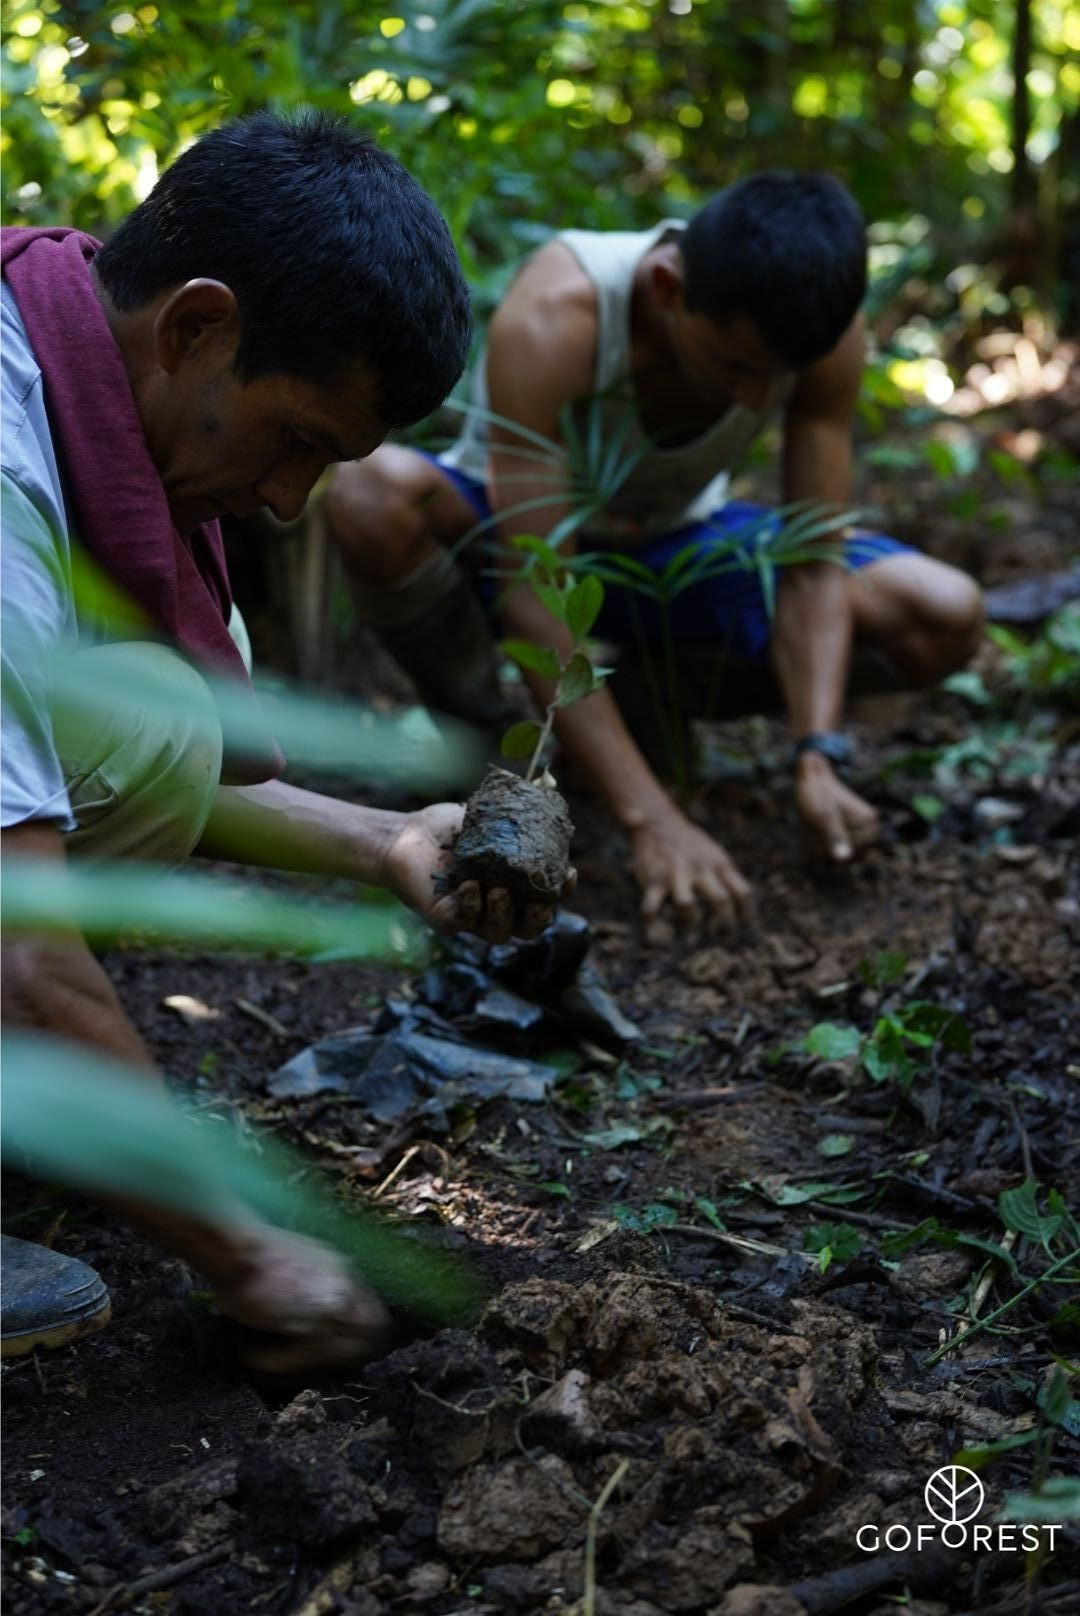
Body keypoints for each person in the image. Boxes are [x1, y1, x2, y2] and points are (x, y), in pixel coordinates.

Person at [0, 110, 569, 1372]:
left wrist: (382, 842)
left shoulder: (54, 360)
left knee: (149, 712)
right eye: (297, 439)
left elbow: (71, 766)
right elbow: (19, 958)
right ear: (198, 328)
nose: (285, 498)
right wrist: (252, 1256)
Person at [327, 170, 985, 932]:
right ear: (668, 287)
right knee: (370, 493)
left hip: (676, 548)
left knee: (943, 612)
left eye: (771, 380)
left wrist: (816, 753)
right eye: (736, 365)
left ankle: (645, 693)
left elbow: (812, 559)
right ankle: (482, 747)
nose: (749, 400)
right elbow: (538, 595)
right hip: (508, 539)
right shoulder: (557, 317)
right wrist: (654, 821)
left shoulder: (822, 332)